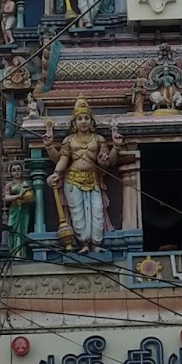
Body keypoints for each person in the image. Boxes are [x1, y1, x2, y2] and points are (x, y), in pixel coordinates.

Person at [48, 97, 121, 252]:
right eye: (80, 118)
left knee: (97, 212)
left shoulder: (99, 140)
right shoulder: (69, 140)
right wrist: (55, 170)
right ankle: (84, 244)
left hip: (93, 180)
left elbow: (108, 162)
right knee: (78, 213)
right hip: (72, 180)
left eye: (86, 118)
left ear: (92, 122)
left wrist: (115, 147)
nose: (83, 121)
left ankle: (96, 244)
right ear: (74, 123)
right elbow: (62, 159)